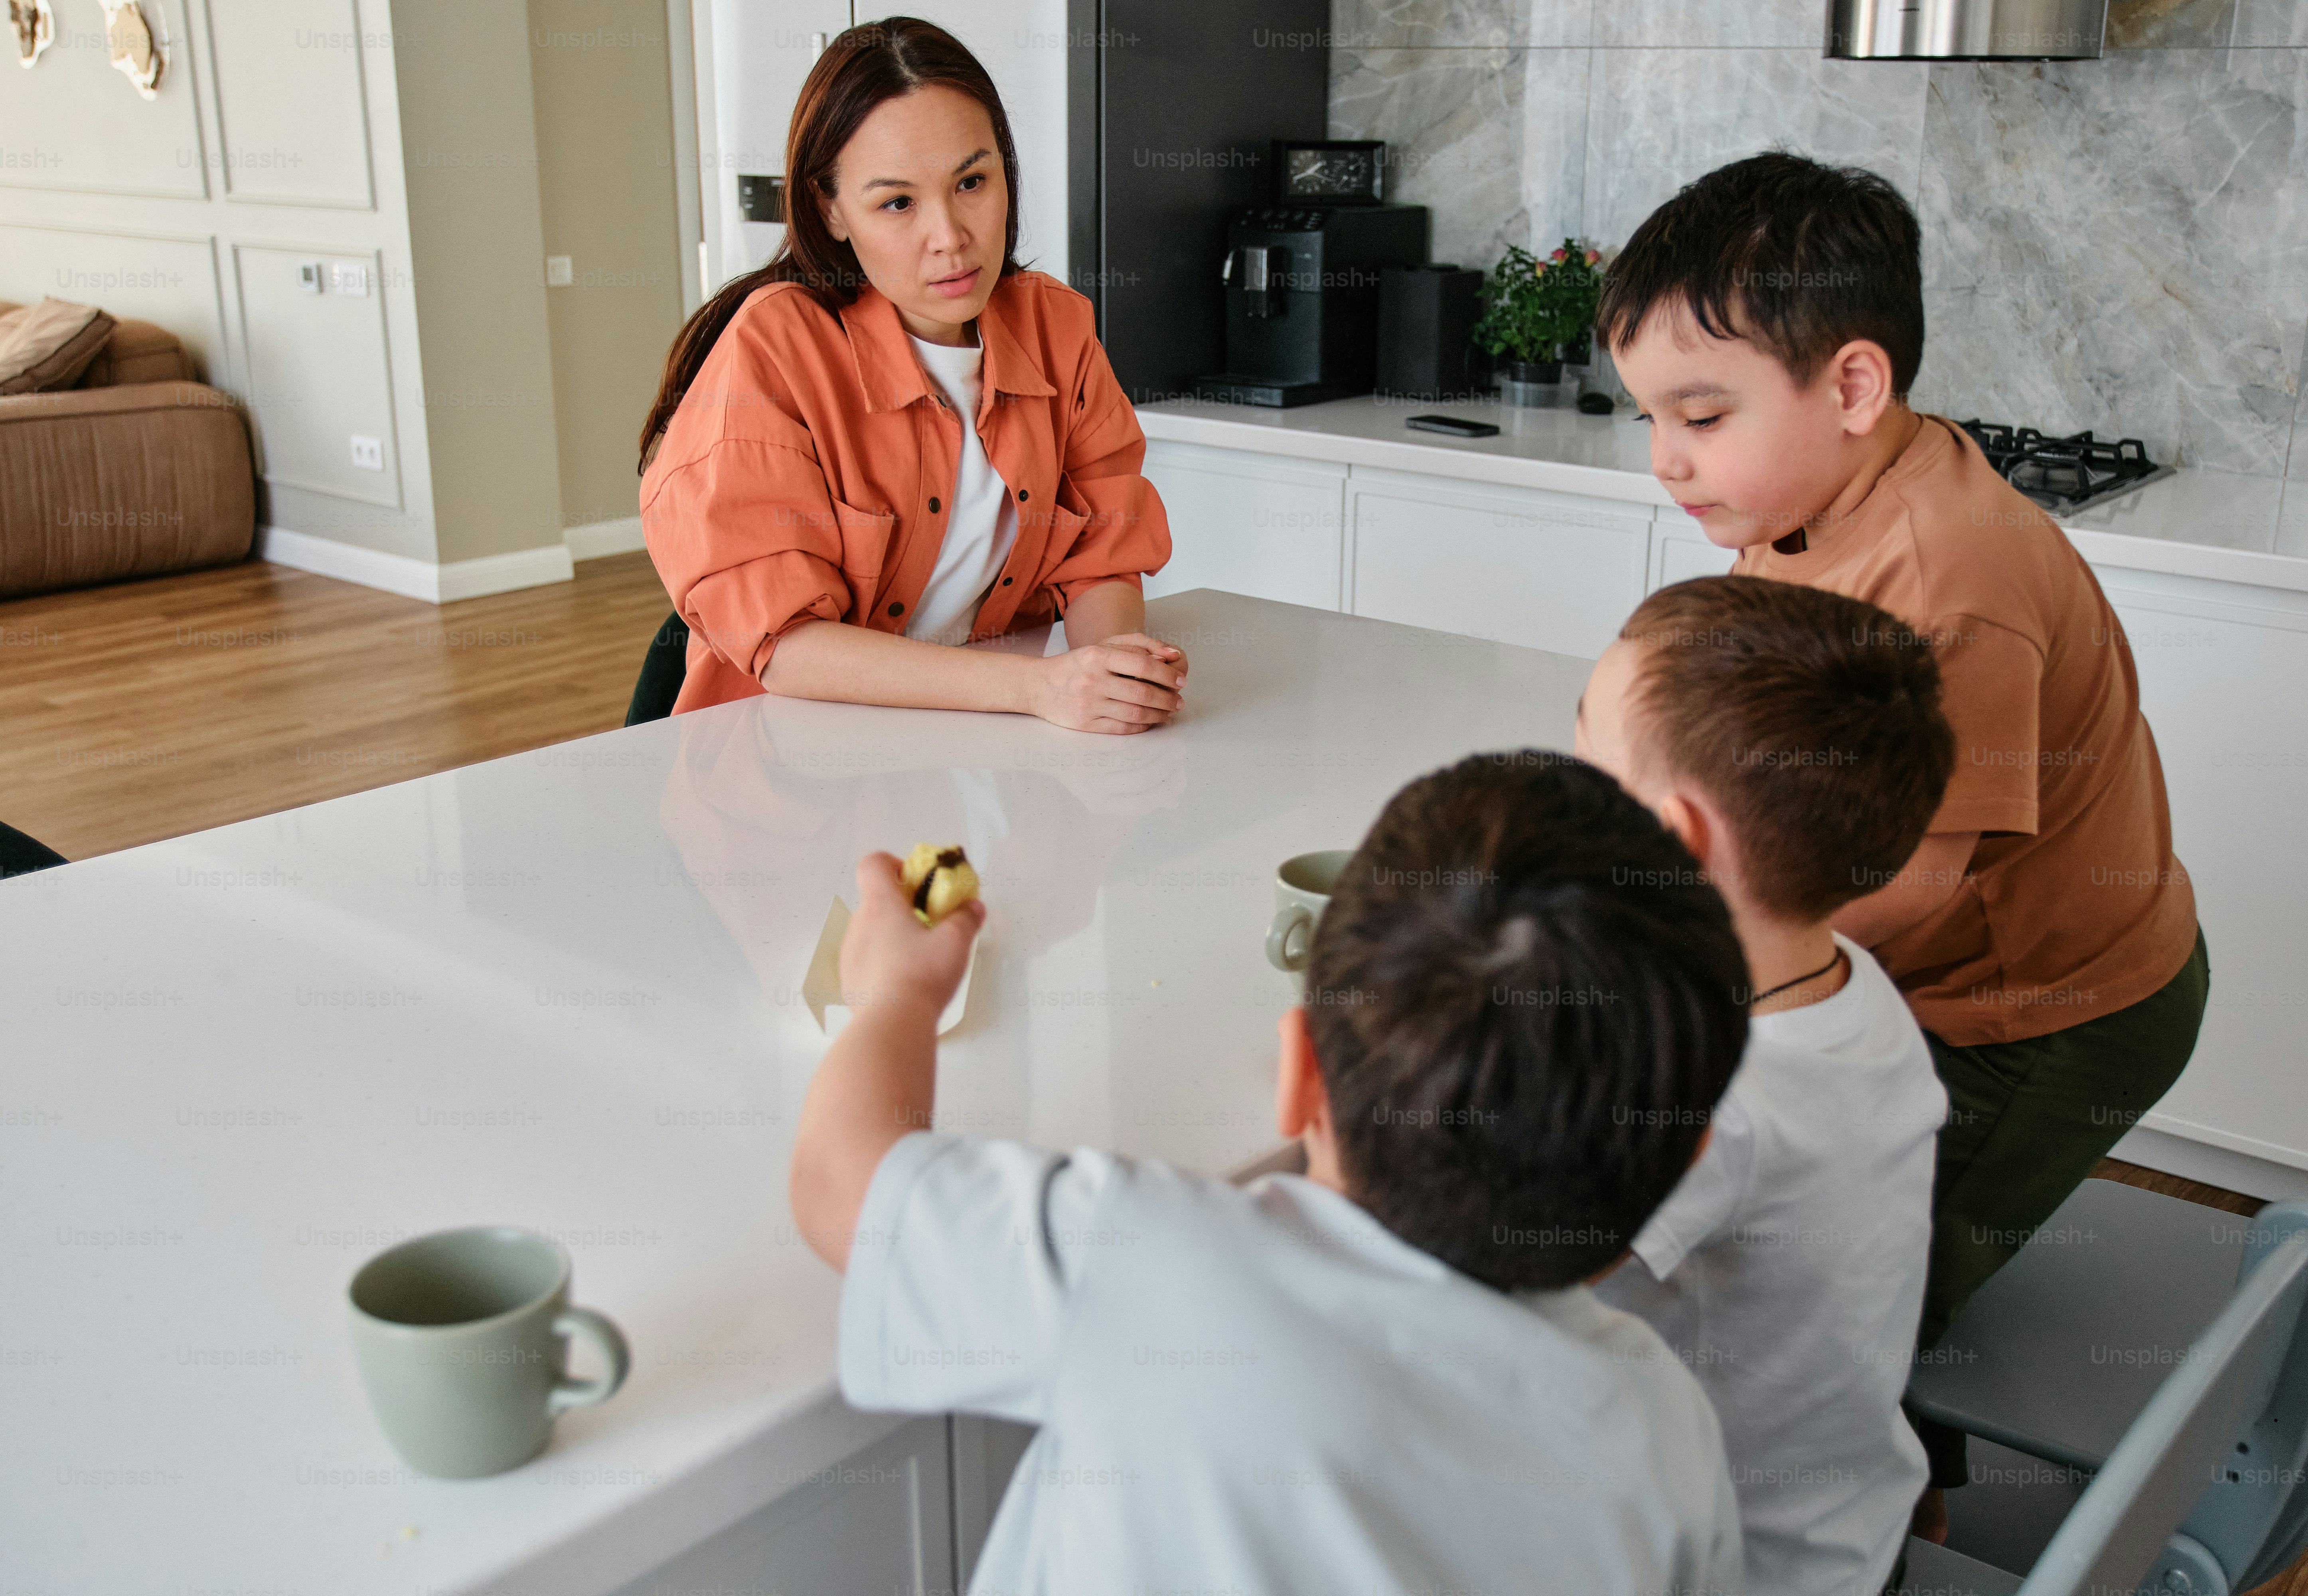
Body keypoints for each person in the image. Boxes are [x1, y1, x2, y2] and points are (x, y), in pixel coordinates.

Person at [1595, 152, 2210, 1531]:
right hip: (1929, 976)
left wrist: (1685, 972)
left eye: (1699, 413)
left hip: (2052, 1015)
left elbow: (1913, 877)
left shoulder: (1950, 581)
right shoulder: (1803, 502)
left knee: (1853, 1283)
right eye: (1649, 417)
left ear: (1855, 387)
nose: (1667, 459)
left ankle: (1885, 1531)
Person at [788, 755, 1751, 1594]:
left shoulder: (1151, 1265)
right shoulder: (1670, 1430)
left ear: (1299, 1079)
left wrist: (898, 993)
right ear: (1688, 1153)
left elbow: (843, 1184)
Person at [639, 18, 1185, 732]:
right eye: (898, 202)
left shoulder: (1058, 326)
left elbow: (1103, 555)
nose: (952, 237)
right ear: (831, 209)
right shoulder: (775, 346)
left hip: (975, 745)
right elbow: (788, 649)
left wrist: (1112, 676)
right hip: (790, 763)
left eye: (972, 182)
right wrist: (1037, 689)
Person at [1576, 575, 1955, 1596]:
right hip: (1851, 1534)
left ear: (1675, 838)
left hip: (1731, 1568)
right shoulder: (1845, 980)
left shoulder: (1716, 1110)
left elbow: (1486, 1289)